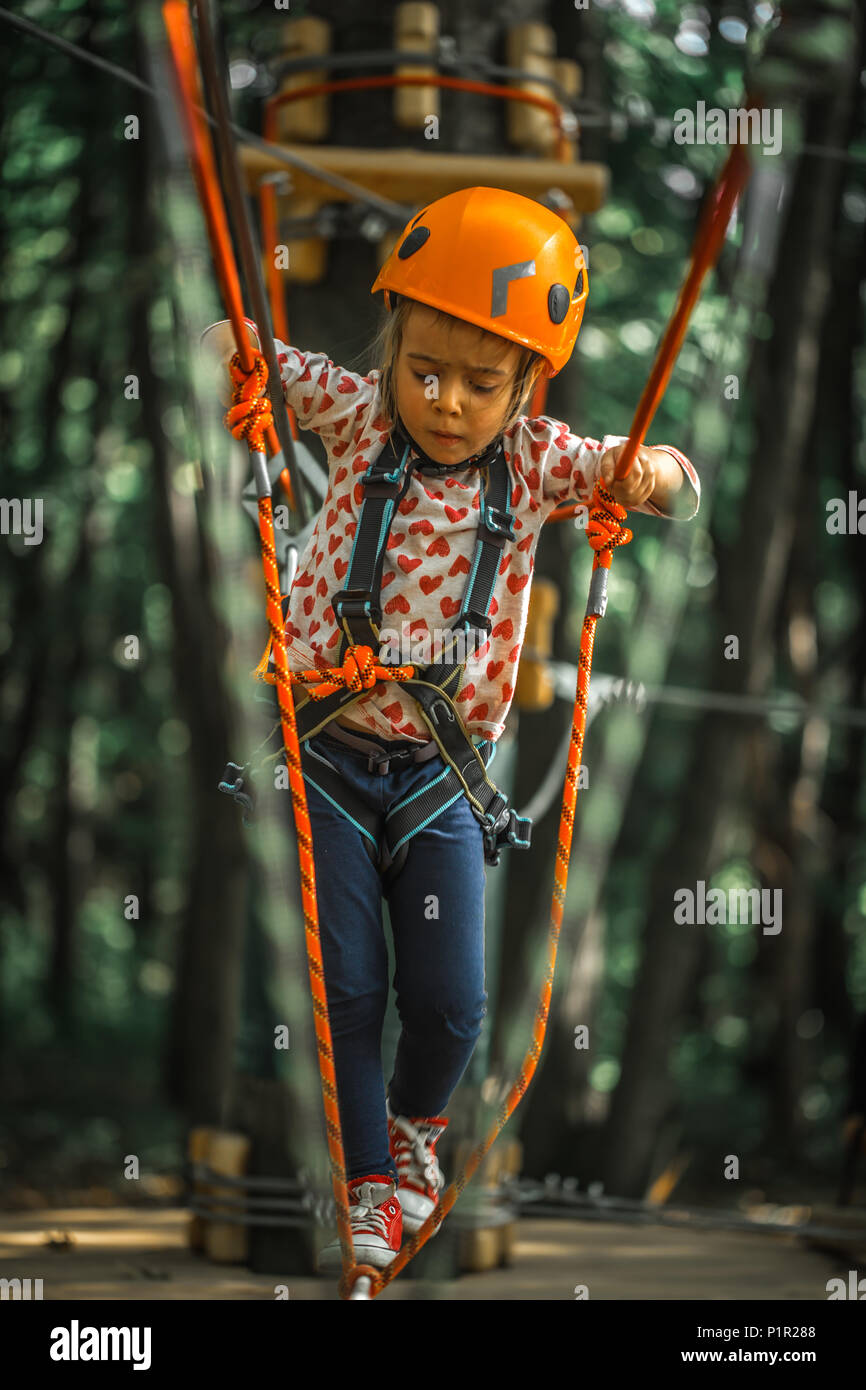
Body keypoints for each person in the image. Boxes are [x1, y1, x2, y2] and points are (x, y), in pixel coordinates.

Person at [204, 187, 700, 1273]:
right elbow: (234, 346)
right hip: (324, 754)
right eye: (423, 368)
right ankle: (370, 1179)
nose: (447, 401)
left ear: (529, 382)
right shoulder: (349, 412)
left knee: (450, 1003)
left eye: (483, 382)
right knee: (347, 985)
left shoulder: (533, 463)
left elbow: (673, 481)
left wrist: (649, 478)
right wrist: (235, 364)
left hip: (438, 776)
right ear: (390, 347)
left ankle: (419, 1131)